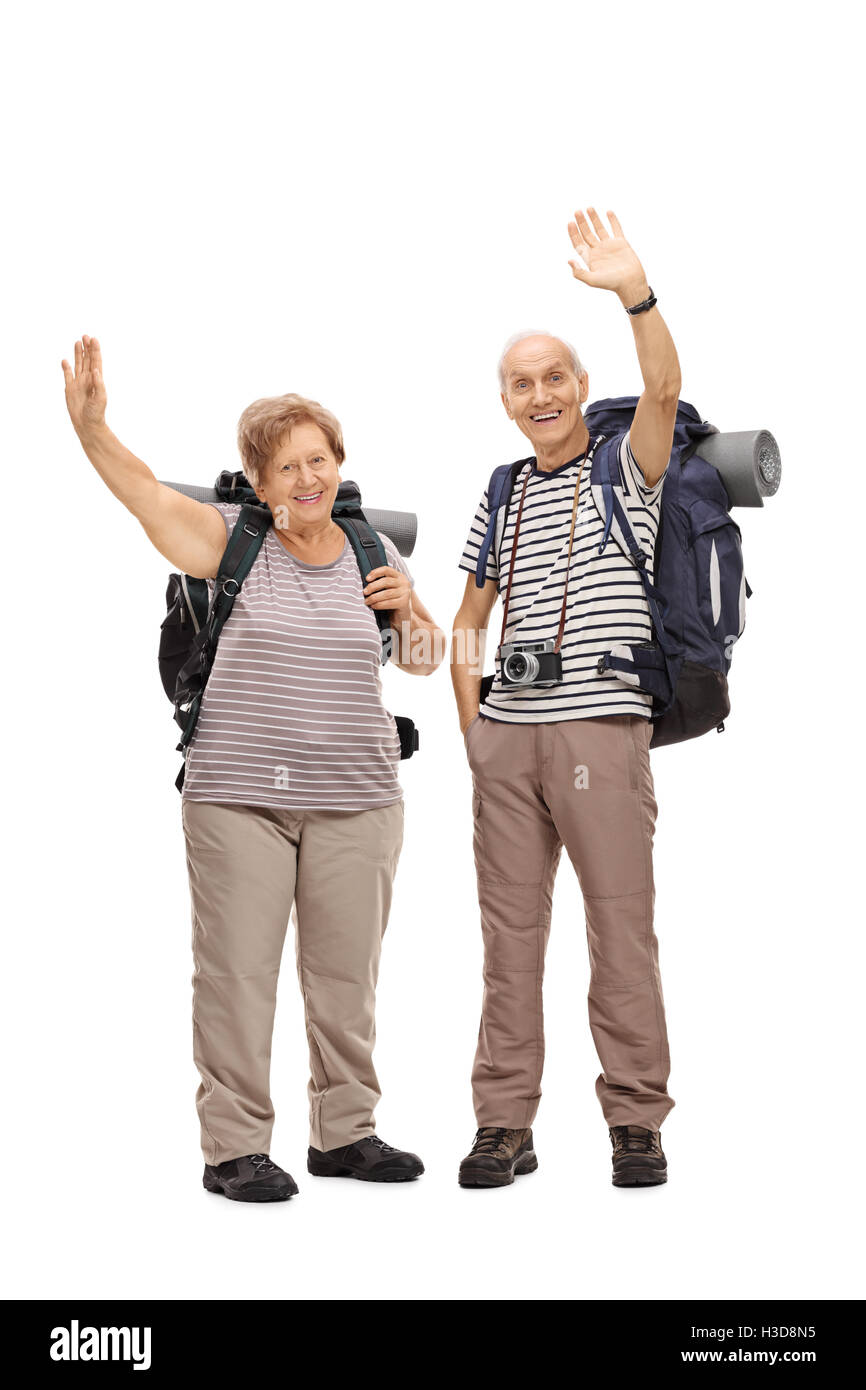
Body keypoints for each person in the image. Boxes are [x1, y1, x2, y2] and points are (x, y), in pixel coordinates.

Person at [62, 336, 443, 1202]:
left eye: (318, 460)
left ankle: (346, 1134)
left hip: (360, 798)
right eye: (285, 467)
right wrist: (93, 431)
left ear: (339, 465)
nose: (306, 478)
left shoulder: (374, 552)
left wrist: (409, 605)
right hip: (240, 801)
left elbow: (425, 657)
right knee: (236, 974)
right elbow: (145, 495)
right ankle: (234, 1148)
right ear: (261, 483)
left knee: (347, 978)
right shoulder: (225, 540)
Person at [451, 208, 681, 1189]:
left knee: (618, 931)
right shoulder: (500, 490)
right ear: (504, 398)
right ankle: (503, 1123)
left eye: (554, 378)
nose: (539, 393)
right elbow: (465, 621)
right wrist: (475, 730)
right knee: (508, 944)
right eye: (521, 382)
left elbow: (665, 386)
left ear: (580, 391)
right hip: (508, 744)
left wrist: (634, 291)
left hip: (600, 732)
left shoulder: (621, 469)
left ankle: (635, 1120)